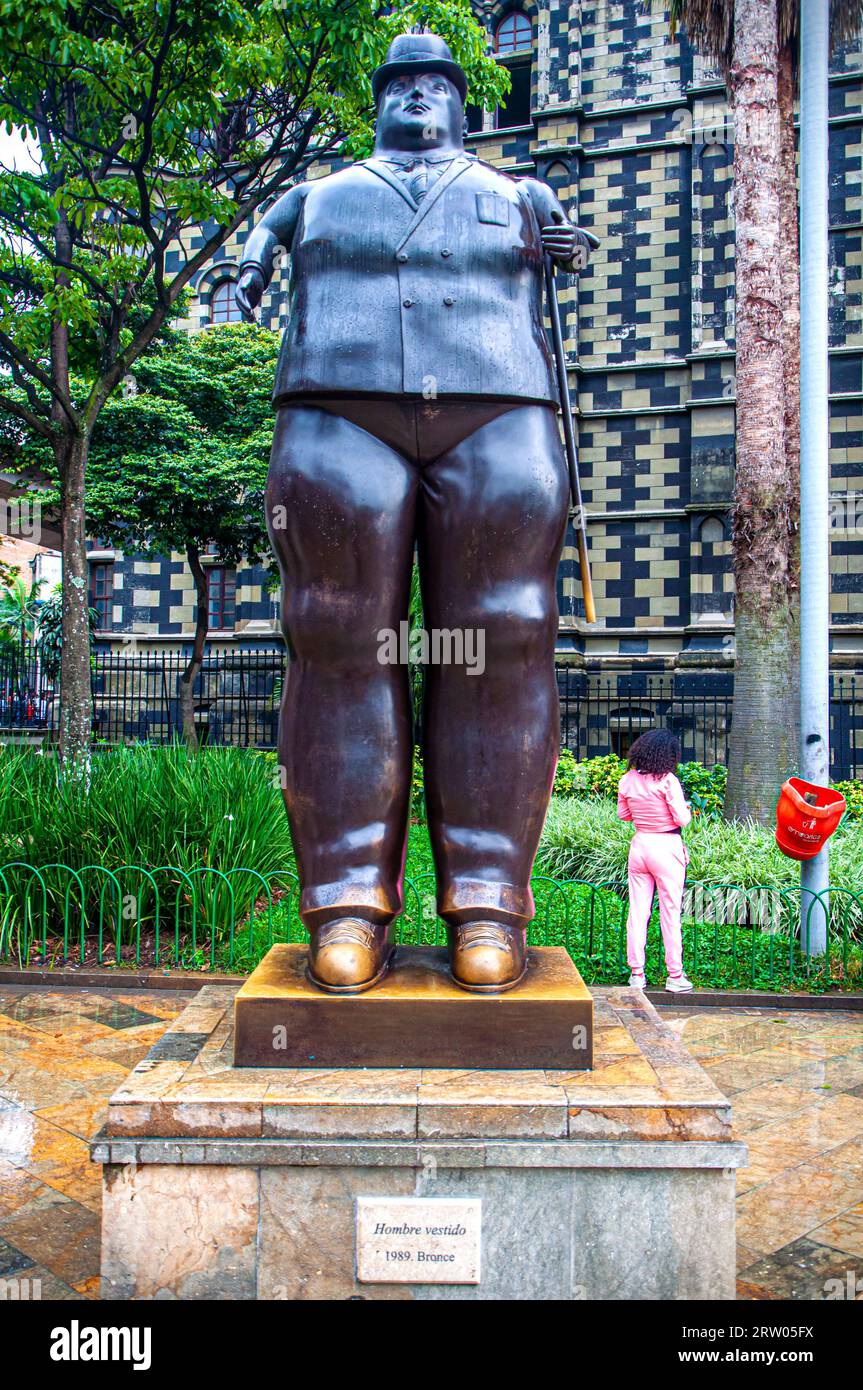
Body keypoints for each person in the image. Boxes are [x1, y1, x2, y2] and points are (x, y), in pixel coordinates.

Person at [235, 32, 594, 994]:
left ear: (462, 105)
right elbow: (252, 258)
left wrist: (566, 244)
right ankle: (346, 900)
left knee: (502, 638)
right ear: (379, 101)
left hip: (497, 409)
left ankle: (487, 901)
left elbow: (571, 262)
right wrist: (252, 271)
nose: (421, 101)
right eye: (403, 87)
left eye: (438, 86)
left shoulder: (519, 193)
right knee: (341, 637)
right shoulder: (315, 193)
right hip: (337, 408)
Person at [616, 729, 694, 993]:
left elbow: (624, 815)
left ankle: (636, 974)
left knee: (638, 912)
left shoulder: (627, 780)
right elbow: (682, 819)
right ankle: (675, 976)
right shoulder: (668, 781)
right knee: (670, 912)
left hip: (639, 846)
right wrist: (687, 812)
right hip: (666, 846)